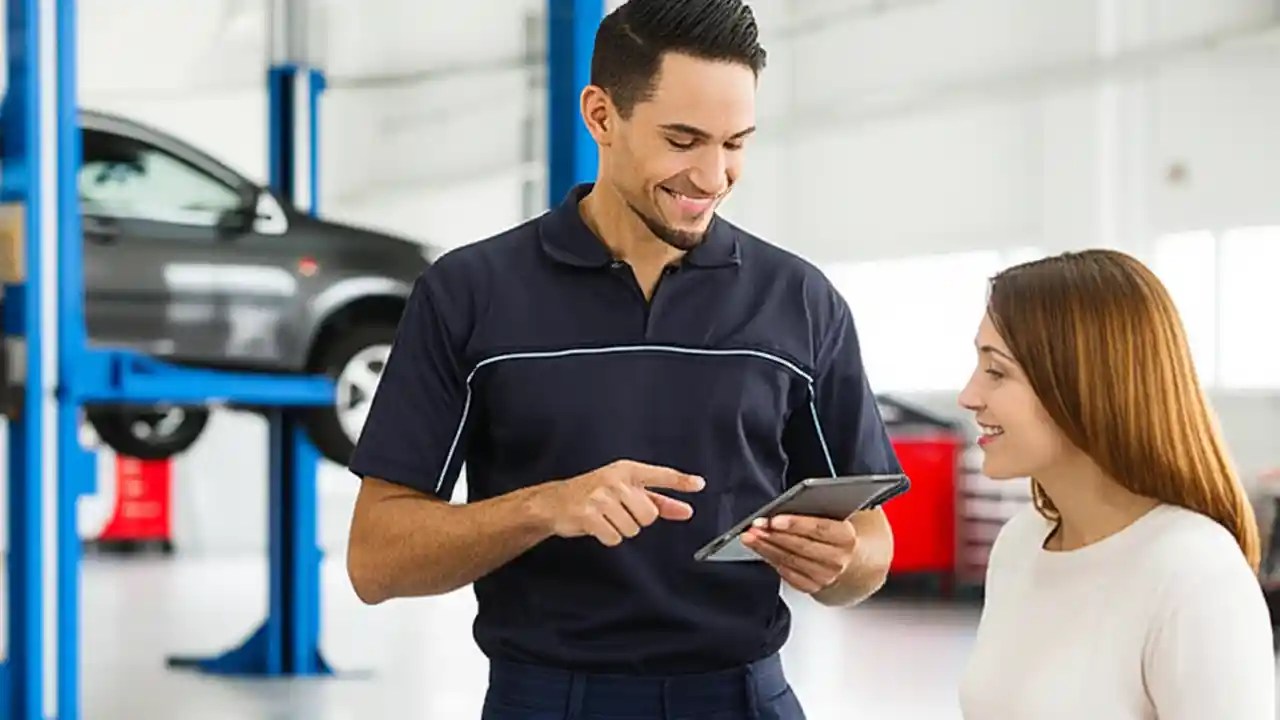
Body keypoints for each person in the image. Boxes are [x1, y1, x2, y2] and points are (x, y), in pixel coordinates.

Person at [344, 1, 904, 718]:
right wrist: (546, 507)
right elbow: (376, 558)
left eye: (736, 143)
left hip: (745, 696)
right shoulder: (469, 293)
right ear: (601, 116)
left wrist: (841, 564)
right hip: (547, 700)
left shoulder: (800, 300)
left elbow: (872, 546)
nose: (712, 176)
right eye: (683, 140)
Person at [957, 249, 1276, 719]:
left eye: (997, 372)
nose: (969, 395)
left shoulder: (1195, 572)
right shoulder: (1019, 544)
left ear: (1081, 384)